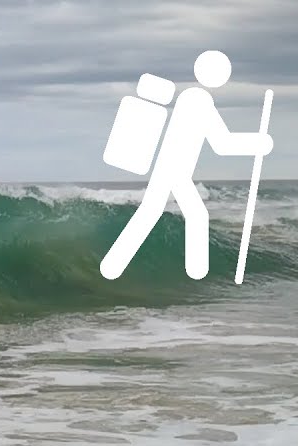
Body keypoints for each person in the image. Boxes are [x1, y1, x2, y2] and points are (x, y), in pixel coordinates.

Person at [100, 50, 274, 281]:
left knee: (166, 213)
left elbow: (220, 142)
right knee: (176, 213)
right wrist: (259, 142)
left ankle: (119, 266)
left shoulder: (193, 97)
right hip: (173, 170)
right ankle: (119, 266)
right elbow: (221, 143)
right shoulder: (198, 100)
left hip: (174, 170)